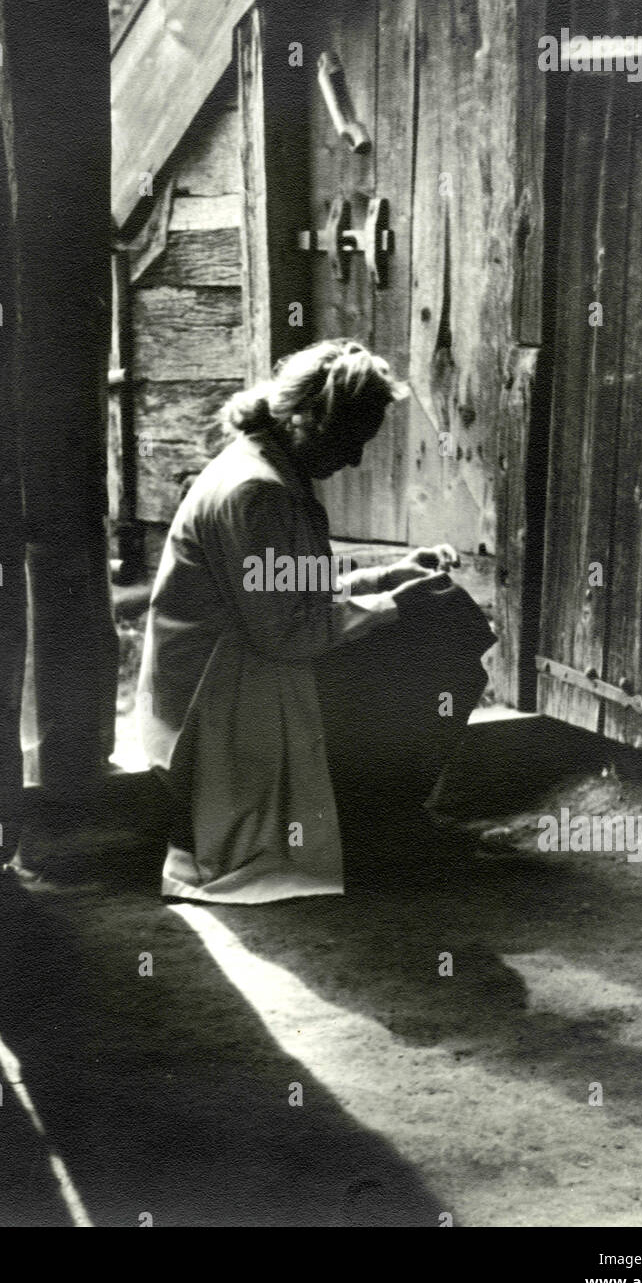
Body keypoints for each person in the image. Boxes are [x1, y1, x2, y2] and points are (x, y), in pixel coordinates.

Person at [137, 339, 495, 903]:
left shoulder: (263, 469)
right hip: (215, 701)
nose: (353, 460)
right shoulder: (258, 492)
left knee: (440, 625)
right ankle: (371, 820)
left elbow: (293, 595)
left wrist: (390, 577)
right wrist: (399, 603)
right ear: (305, 420)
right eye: (349, 441)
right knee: (439, 643)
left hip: (233, 670)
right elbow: (285, 632)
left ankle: (371, 814)